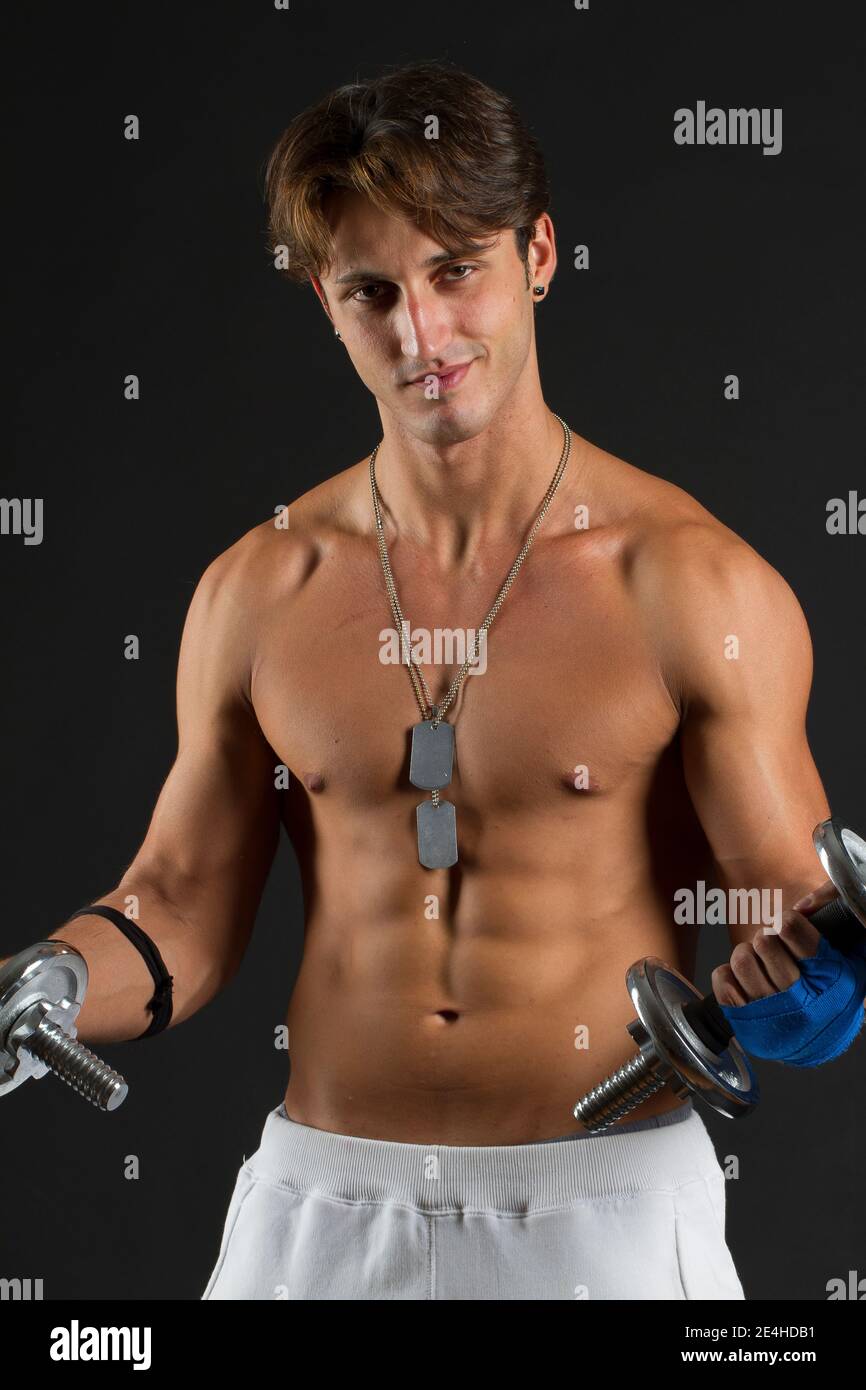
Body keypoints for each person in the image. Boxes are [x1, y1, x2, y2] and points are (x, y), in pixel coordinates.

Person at [12, 60, 856, 1300]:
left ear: (537, 256)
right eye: (371, 292)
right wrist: (61, 976)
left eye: (455, 269)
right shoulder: (259, 588)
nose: (421, 335)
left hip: (601, 1210)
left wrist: (808, 984)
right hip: (318, 1209)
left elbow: (788, 925)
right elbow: (179, 901)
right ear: (323, 301)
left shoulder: (690, 584)